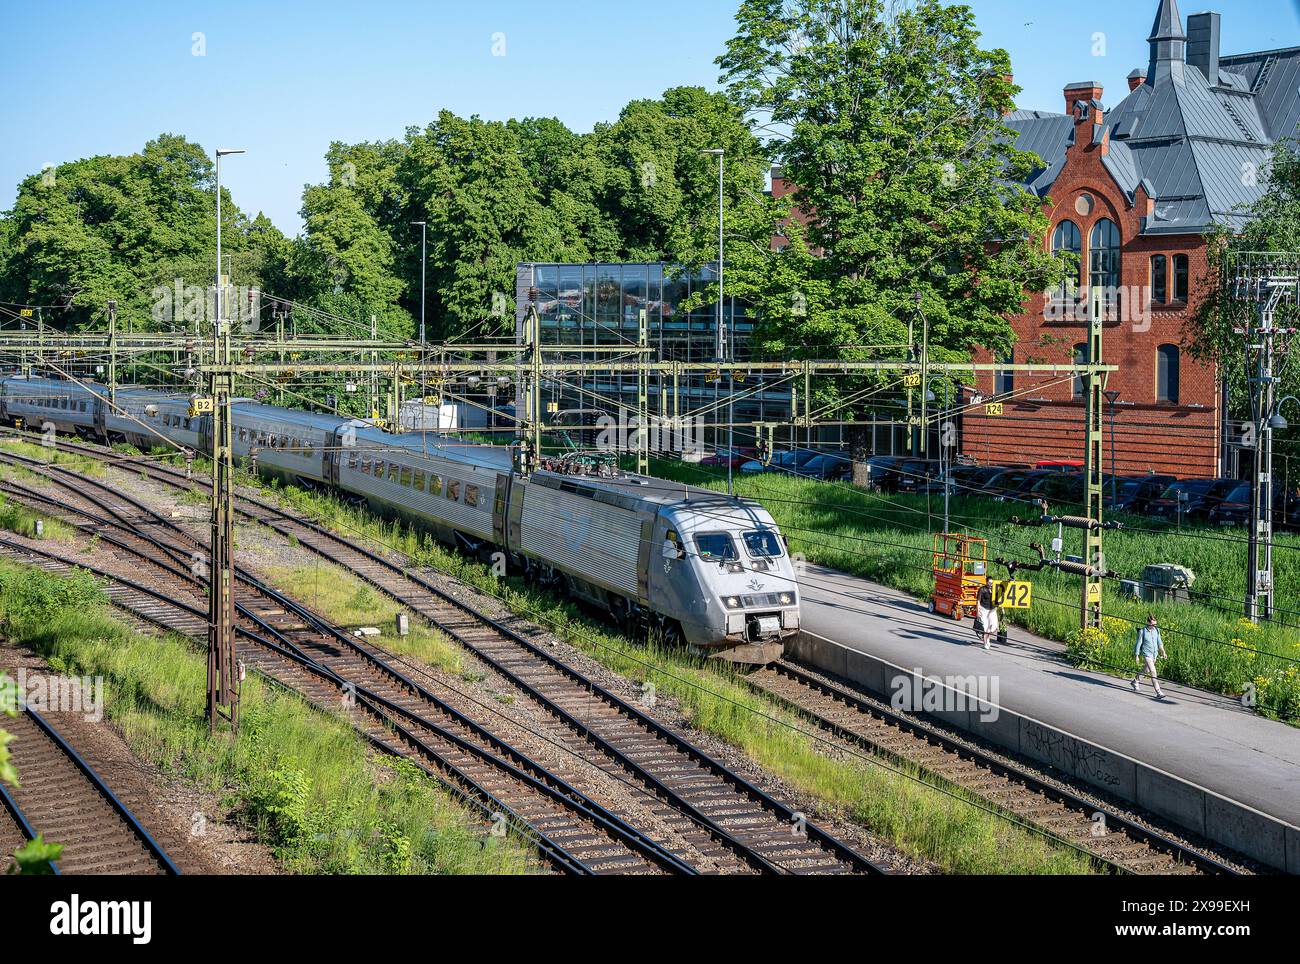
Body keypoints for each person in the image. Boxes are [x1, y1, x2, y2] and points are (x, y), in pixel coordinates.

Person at [1132, 615, 1167, 699]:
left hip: (1154, 655)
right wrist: (1137, 655)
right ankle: (1158, 692)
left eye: (1155, 624)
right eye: (1152, 624)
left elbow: (1160, 643)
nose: (1154, 626)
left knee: (1146, 670)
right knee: (1153, 672)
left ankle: (1135, 681)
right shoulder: (1142, 631)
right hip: (1146, 654)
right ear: (1148, 623)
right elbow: (1138, 644)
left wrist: (1163, 652)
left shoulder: (1157, 630)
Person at [974, 583, 998, 651]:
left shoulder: (994, 588)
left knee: (993, 626)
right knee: (985, 627)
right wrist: (978, 611)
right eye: (989, 583)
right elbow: (978, 601)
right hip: (984, 609)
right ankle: (986, 642)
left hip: (992, 609)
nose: (991, 584)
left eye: (992, 583)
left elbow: (1001, 596)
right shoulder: (982, 589)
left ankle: (986, 638)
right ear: (986, 582)